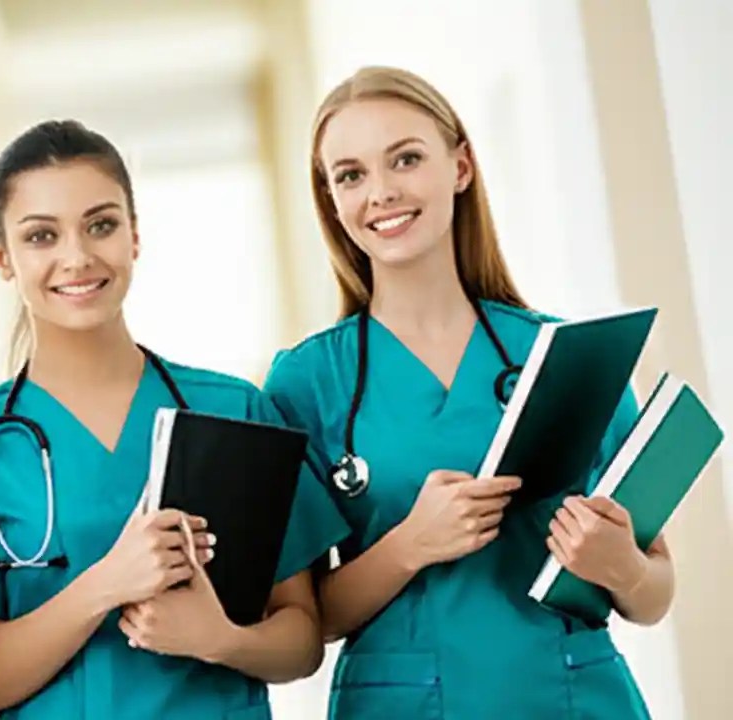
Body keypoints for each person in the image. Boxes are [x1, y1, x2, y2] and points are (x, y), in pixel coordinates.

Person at [263, 65, 675, 719]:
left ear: (460, 166)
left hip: (574, 698)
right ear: (332, 200)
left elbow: (654, 591)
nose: (381, 192)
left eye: (405, 159)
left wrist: (619, 564)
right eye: (351, 175)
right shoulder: (307, 382)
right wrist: (409, 545)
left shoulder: (568, 355)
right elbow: (306, 624)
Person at [0, 119, 348, 720]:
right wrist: (107, 584)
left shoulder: (233, 410)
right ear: (1, 257)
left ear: (134, 236)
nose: (77, 257)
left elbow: (301, 640)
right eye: (41, 236)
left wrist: (218, 638)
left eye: (101, 225)